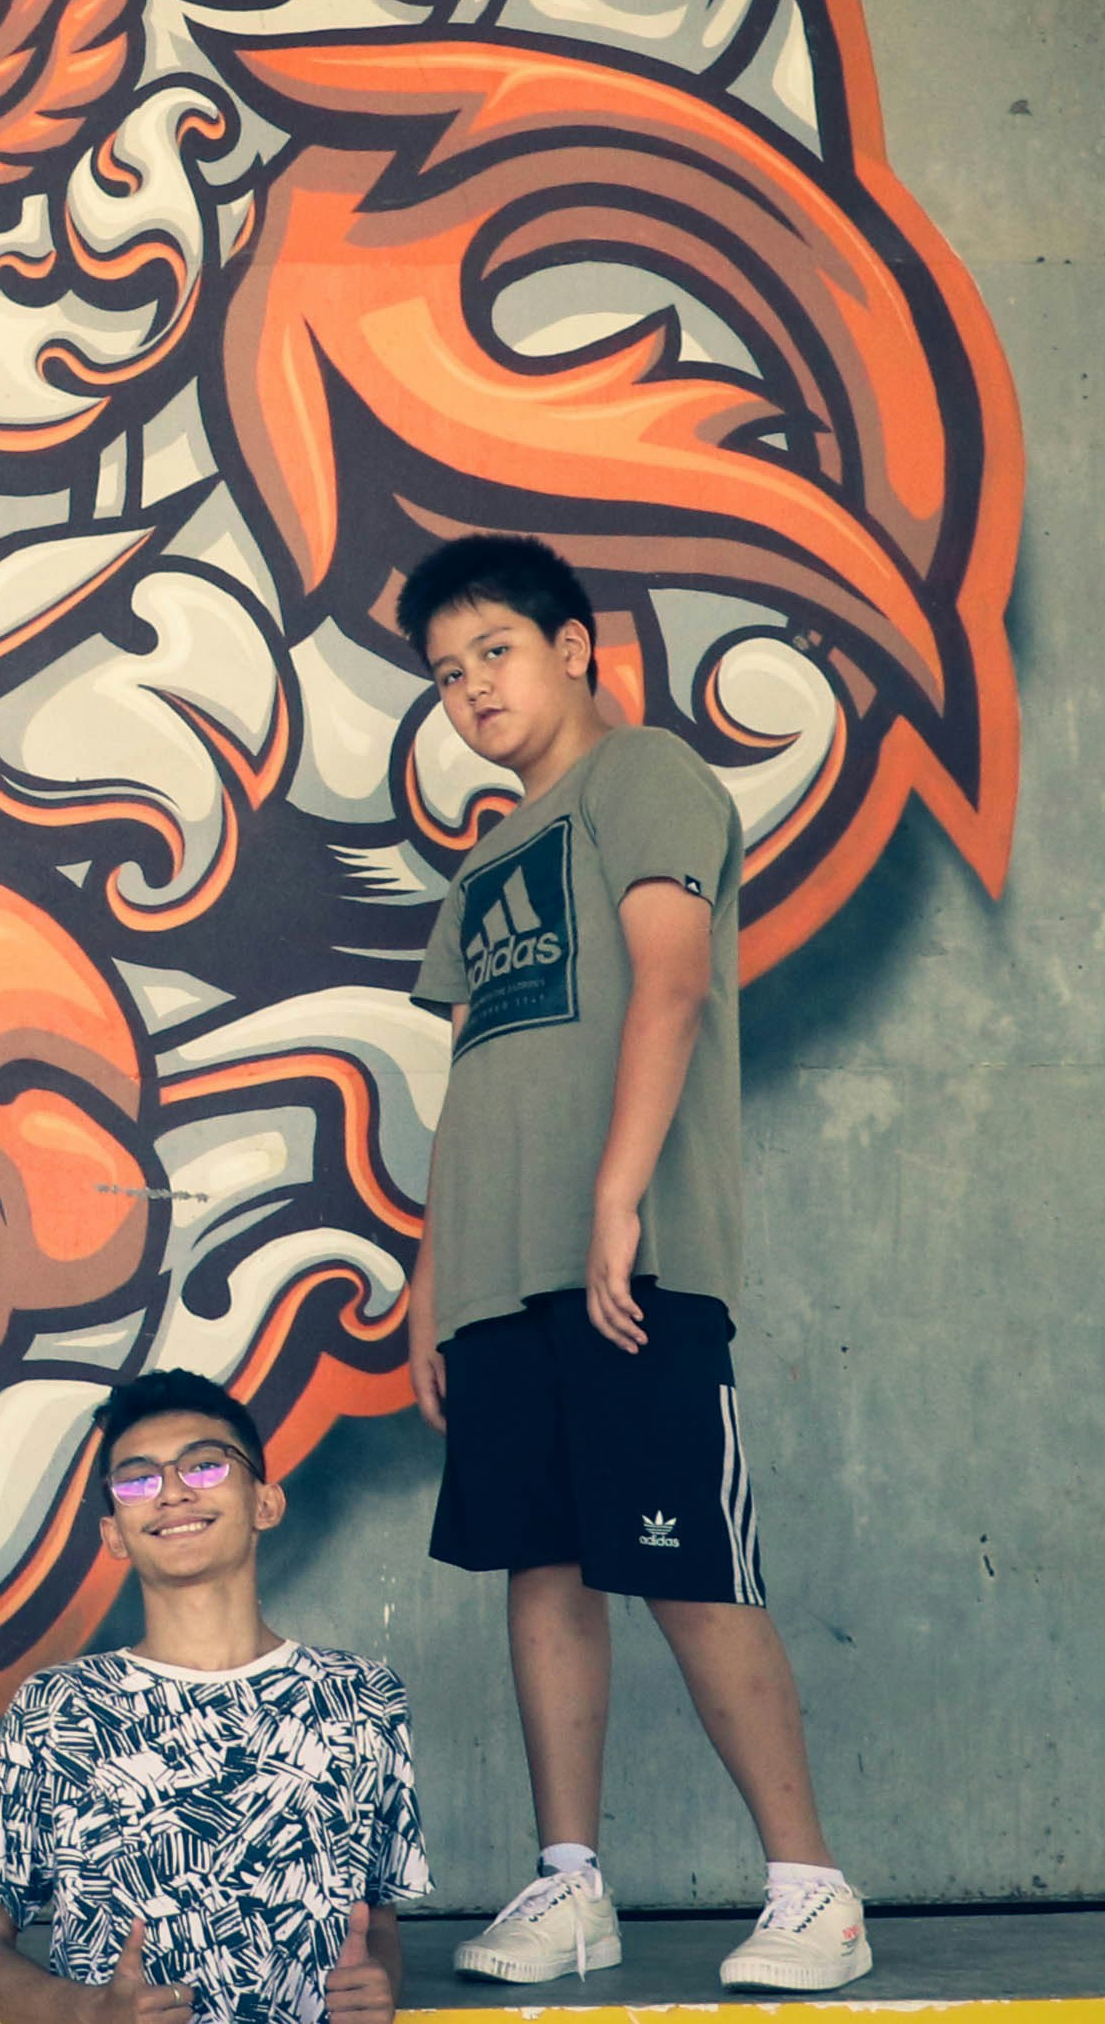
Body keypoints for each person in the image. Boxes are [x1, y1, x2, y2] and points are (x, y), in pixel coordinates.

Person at [400, 531, 868, 1992]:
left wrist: (617, 1199)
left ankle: (812, 1893)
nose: (473, 689)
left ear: (572, 646)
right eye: (445, 673)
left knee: (687, 1565)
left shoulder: (644, 774)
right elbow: (474, 1074)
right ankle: (570, 1888)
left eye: (495, 652)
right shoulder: (483, 859)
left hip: (630, 1260)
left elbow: (668, 982)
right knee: (540, 1567)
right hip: (498, 1274)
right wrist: (431, 1276)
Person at [0, 1370, 425, 2024]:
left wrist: (380, 1984)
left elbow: (377, 1922)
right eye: (137, 1480)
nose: (171, 1491)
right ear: (114, 1533)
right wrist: (89, 2011)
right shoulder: (59, 1708)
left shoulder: (362, 1698)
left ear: (265, 1503)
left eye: (204, 1466)